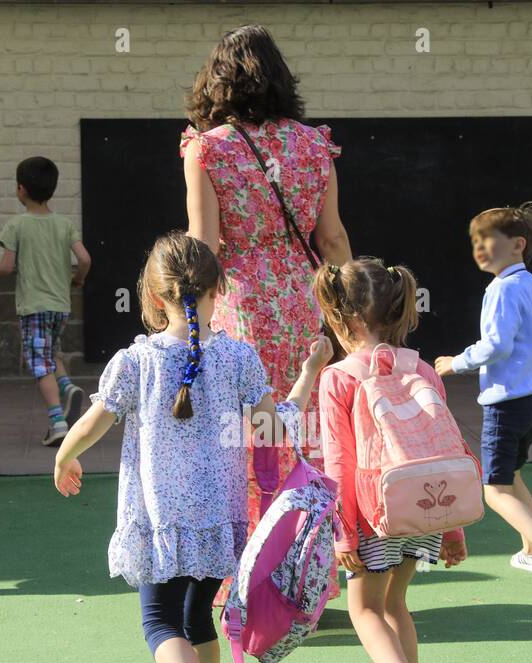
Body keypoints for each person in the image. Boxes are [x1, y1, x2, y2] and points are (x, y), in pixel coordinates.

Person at [52, 231, 331, 663]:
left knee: (157, 621)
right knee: (197, 616)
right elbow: (271, 428)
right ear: (218, 292)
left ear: (154, 299)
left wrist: (65, 454)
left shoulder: (137, 360)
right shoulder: (238, 357)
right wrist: (308, 376)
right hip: (218, 519)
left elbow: (95, 421)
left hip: (159, 517)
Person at [181, 24, 351, 595]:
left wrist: (185, 319)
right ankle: (309, 575)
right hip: (306, 302)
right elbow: (331, 241)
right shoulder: (314, 145)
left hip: (242, 307)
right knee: (307, 435)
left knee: (248, 441)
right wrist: (348, 313)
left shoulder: (208, 149)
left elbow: (203, 246)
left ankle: (250, 580)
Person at [316, 257, 468, 663]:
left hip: (371, 512)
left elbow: (338, 462)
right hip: (424, 502)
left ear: (341, 317)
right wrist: (453, 527)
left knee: (363, 607)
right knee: (396, 602)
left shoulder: (339, 377)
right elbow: (448, 446)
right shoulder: (422, 367)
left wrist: (343, 532)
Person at [434, 203, 532, 597]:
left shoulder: (502, 289)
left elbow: (496, 345)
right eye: (475, 241)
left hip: (505, 405)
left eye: (489, 241)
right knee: (511, 476)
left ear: (518, 244)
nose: (480, 249)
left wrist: (455, 363)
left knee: (494, 489)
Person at [0, 156, 92, 446]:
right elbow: (85, 259)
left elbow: (6, 267)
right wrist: (79, 279)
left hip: (33, 307)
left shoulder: (16, 226)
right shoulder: (64, 224)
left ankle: (57, 422)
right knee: (52, 352)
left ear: (21, 190)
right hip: (60, 306)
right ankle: (67, 387)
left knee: (39, 365)